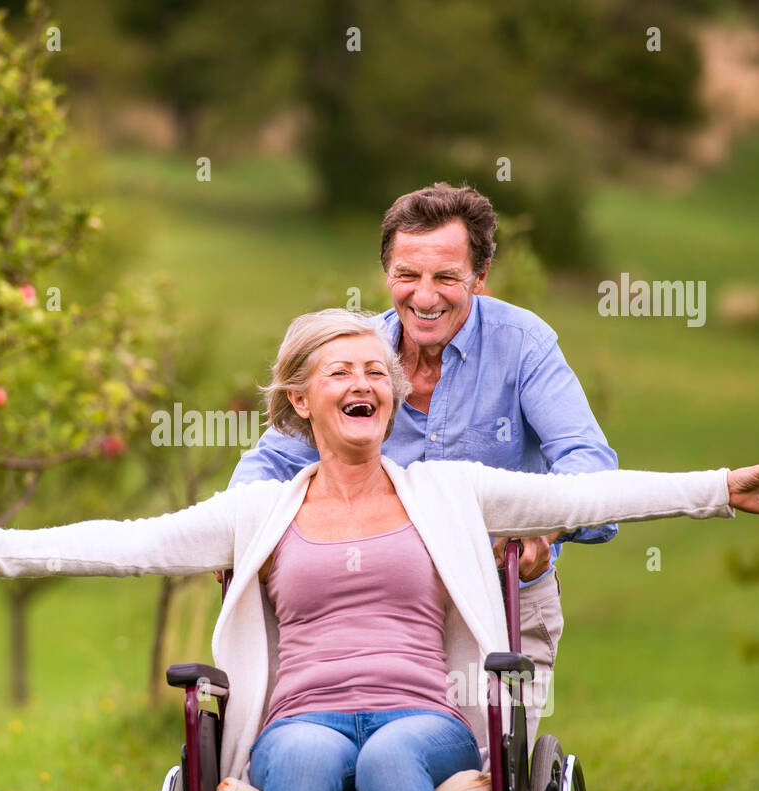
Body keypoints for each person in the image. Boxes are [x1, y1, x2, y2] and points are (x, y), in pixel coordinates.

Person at [0, 310, 759, 791]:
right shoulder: (258, 505)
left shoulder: (450, 489)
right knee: (295, 761)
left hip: (424, 716)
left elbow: (585, 487)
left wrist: (718, 491)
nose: (366, 380)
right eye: (342, 371)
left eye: (376, 371)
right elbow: (133, 542)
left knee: (384, 764)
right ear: (300, 400)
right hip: (301, 714)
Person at [229, 183, 616, 743]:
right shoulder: (359, 357)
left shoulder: (525, 345)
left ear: (480, 277)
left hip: (500, 600)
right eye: (408, 275)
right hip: (375, 610)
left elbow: (591, 464)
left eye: (446, 278)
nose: (424, 296)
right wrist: (237, 534)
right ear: (387, 272)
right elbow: (269, 462)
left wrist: (543, 530)